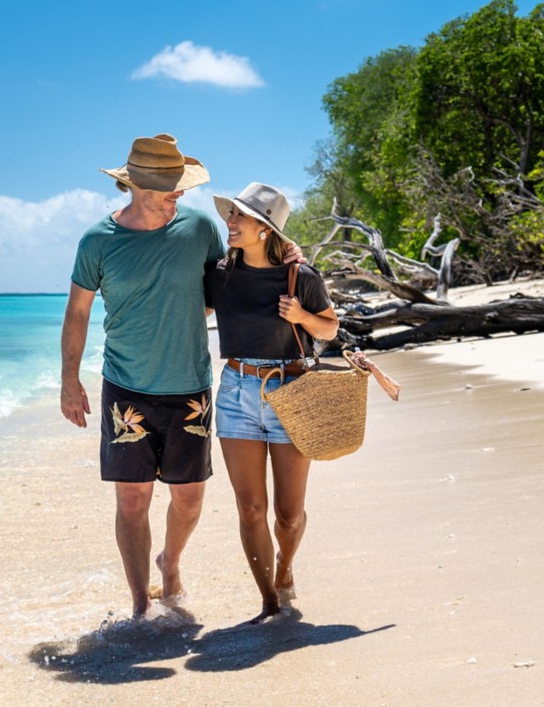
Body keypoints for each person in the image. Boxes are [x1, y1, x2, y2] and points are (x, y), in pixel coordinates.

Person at [60, 134, 225, 618]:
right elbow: (77, 313)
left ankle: (170, 563)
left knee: (190, 499)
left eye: (179, 182)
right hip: (124, 388)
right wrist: (70, 380)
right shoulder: (98, 240)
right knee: (132, 501)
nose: (179, 191)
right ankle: (138, 604)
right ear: (137, 186)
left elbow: (223, 288)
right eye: (169, 183)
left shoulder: (200, 228)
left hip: (190, 383)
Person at [204, 182, 340, 623]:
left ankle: (285, 567)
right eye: (231, 215)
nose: (231, 222)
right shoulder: (219, 274)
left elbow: (330, 330)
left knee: (288, 513)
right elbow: (185, 304)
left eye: (239, 217)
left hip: (291, 392)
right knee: (250, 509)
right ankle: (268, 600)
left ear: (264, 228)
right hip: (235, 393)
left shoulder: (300, 276)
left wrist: (301, 316)